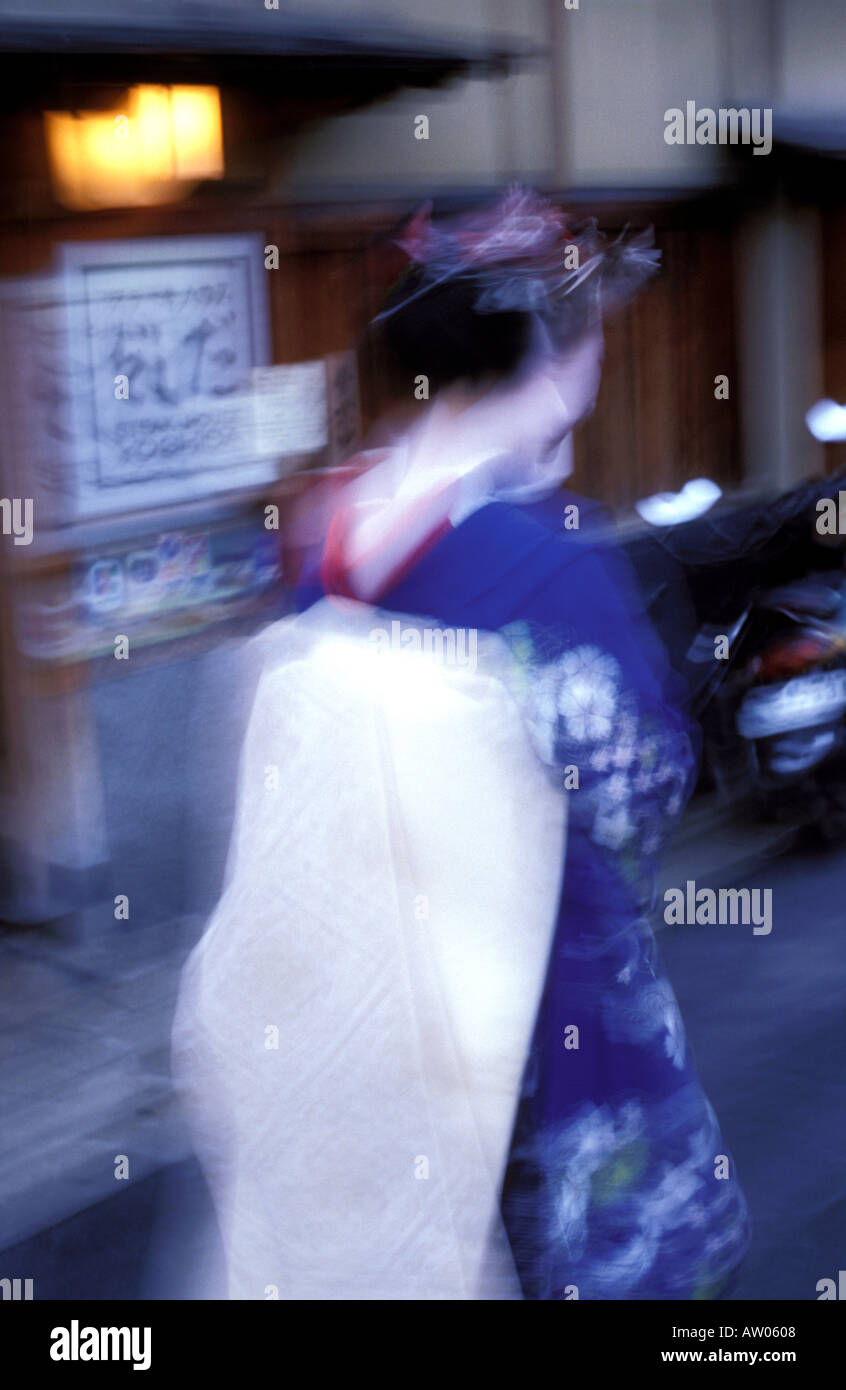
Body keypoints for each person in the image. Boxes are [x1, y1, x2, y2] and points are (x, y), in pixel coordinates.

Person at [172, 187, 749, 1300]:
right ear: (551, 354)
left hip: (375, 1027)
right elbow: (633, 800)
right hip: (543, 1028)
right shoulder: (553, 566)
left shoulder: (323, 547)